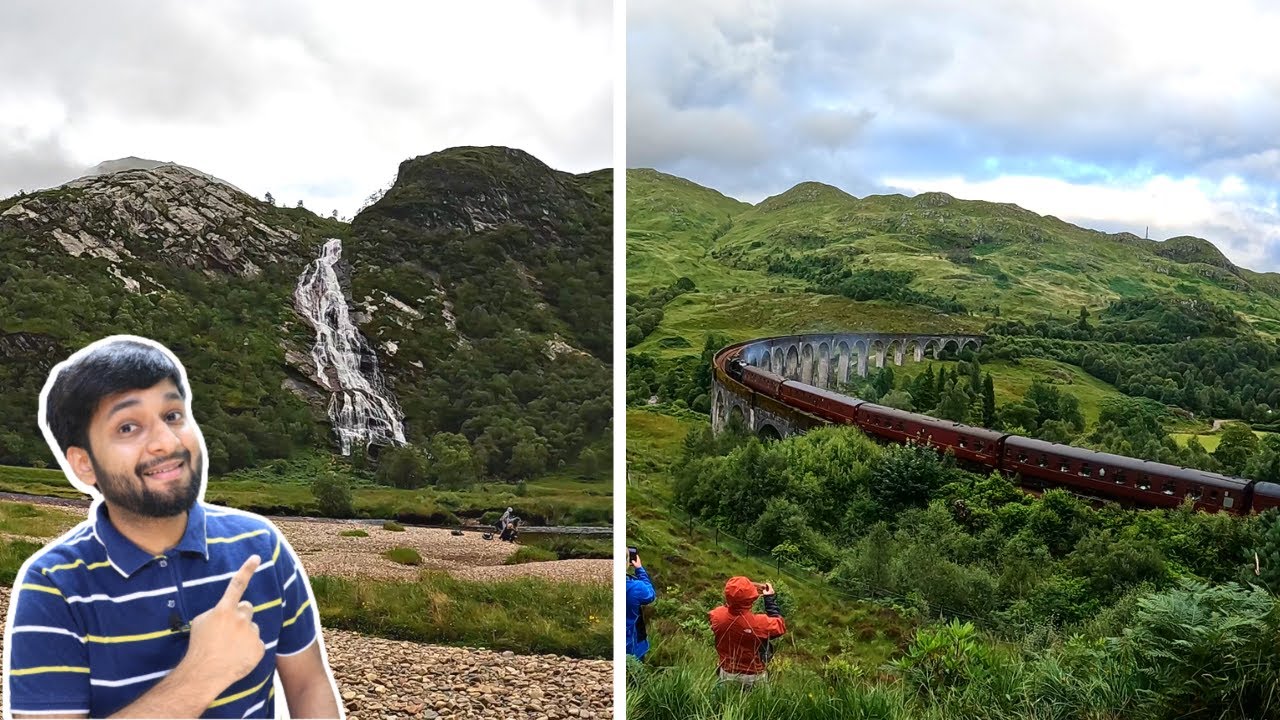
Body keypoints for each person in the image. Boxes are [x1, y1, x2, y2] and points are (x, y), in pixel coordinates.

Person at [3, 336, 344, 718]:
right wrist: (202, 673)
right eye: (128, 427)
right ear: (83, 464)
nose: (166, 442)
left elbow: (308, 685)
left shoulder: (261, 547)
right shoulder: (53, 586)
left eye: (172, 416)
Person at [708, 576, 786, 685]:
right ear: (751, 598)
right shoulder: (759, 623)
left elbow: (729, 607)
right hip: (755, 676)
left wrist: (735, 598)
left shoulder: (716, 615)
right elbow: (779, 625)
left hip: (727, 673)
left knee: (723, 700)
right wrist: (769, 599)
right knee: (760, 701)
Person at [625, 551, 656, 660]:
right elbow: (650, 595)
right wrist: (640, 570)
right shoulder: (636, 587)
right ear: (627, 563)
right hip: (632, 645)